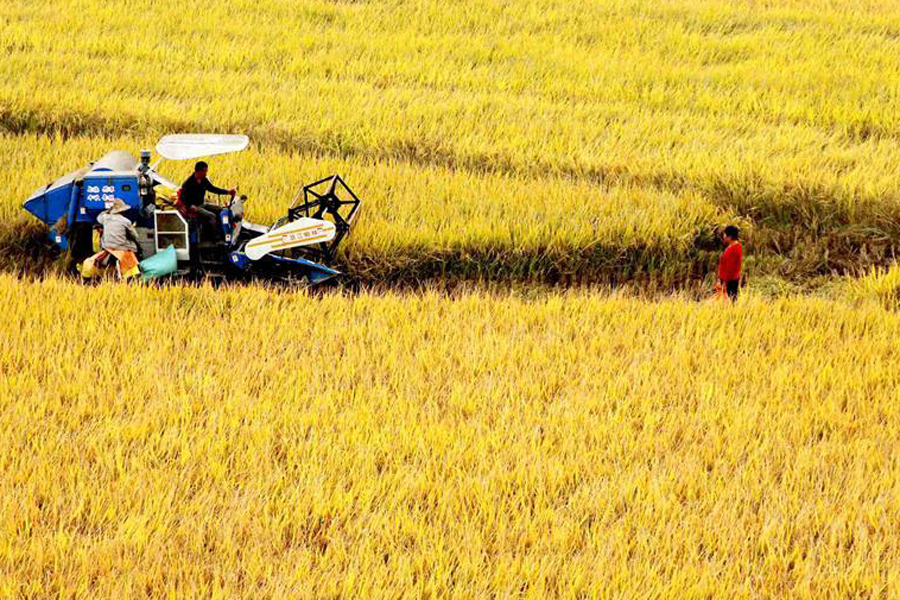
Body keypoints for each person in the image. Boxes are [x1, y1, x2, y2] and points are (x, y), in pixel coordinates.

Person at [82, 199, 140, 279]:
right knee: (134, 247)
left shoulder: (105, 218)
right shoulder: (126, 221)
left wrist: (108, 211)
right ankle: (133, 272)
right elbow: (135, 236)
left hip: (107, 247)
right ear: (122, 211)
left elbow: (98, 218)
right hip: (121, 247)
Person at [179, 161, 236, 238]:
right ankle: (215, 236)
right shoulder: (188, 183)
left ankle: (225, 229)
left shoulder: (203, 180)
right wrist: (190, 206)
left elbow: (213, 189)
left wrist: (227, 192)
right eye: (204, 171)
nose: (206, 173)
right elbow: (183, 198)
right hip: (195, 207)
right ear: (198, 171)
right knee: (211, 216)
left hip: (202, 204)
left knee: (221, 209)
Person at [717, 225, 743, 302]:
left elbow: (730, 268)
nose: (723, 236)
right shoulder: (734, 246)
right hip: (731, 279)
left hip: (730, 281)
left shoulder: (733, 249)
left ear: (730, 236)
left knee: (729, 301)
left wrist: (724, 283)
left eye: (725, 234)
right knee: (730, 301)